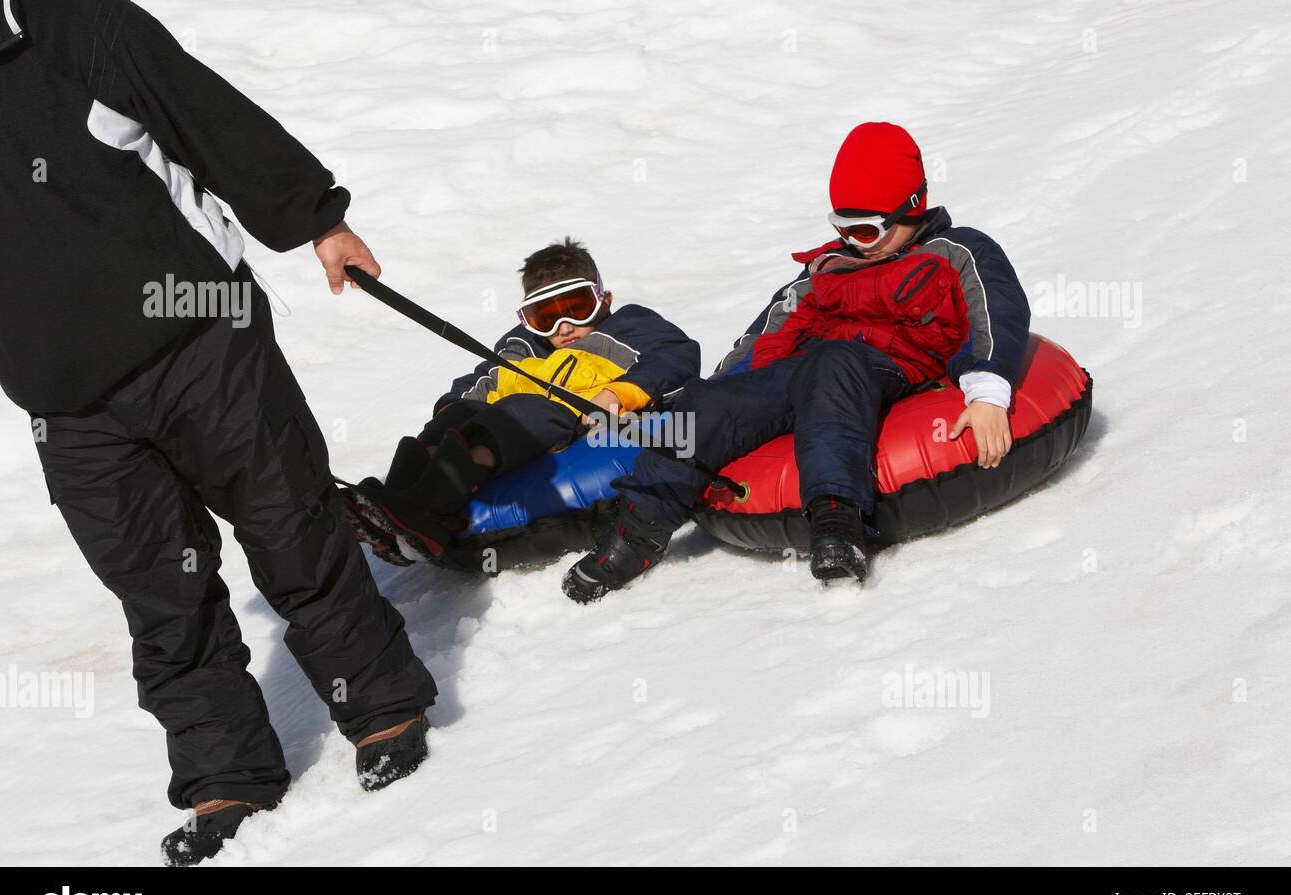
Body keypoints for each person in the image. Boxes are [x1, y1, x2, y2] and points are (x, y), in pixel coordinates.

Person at [0, 0, 436, 865]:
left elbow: (203, 112)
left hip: (199, 337)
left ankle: (382, 706)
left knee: (289, 524)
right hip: (69, 406)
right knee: (160, 594)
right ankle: (225, 775)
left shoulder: (70, 24)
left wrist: (316, 218)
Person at [563, 121, 1032, 602]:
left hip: (892, 368)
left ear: (910, 210)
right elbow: (766, 333)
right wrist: (725, 390)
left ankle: (836, 521)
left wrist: (988, 391)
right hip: (802, 373)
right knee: (711, 403)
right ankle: (637, 533)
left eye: (866, 229)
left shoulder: (954, 252)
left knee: (833, 365)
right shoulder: (826, 267)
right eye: (842, 227)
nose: (853, 240)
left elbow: (998, 313)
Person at [344, 238, 701, 566]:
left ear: (603, 300)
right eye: (545, 317)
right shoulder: (521, 346)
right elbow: (478, 382)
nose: (563, 327)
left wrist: (618, 394)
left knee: (519, 413)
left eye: (576, 308)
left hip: (576, 417)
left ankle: (426, 516)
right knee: (456, 417)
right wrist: (450, 409)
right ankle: (390, 508)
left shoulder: (631, 326)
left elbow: (676, 356)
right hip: (506, 423)